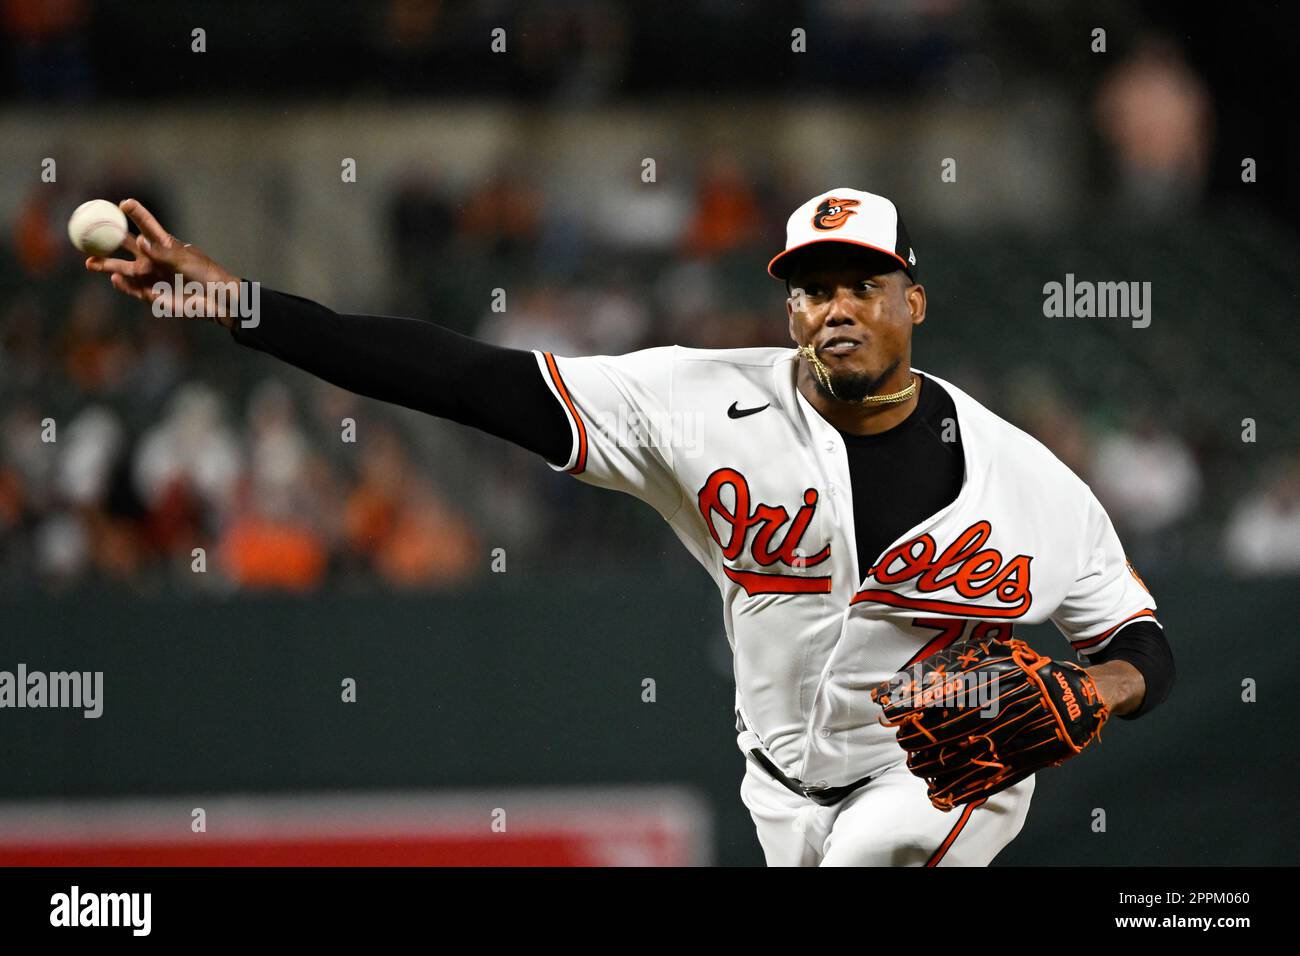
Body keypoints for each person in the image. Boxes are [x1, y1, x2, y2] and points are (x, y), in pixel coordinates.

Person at [86, 188, 1175, 866]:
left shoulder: (1028, 484)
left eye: (862, 283)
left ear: (912, 300)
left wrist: (1096, 688)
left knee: (881, 852)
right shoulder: (698, 405)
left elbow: (1142, 644)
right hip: (777, 783)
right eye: (809, 288)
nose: (833, 307)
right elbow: (462, 378)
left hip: (938, 780)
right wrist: (230, 303)